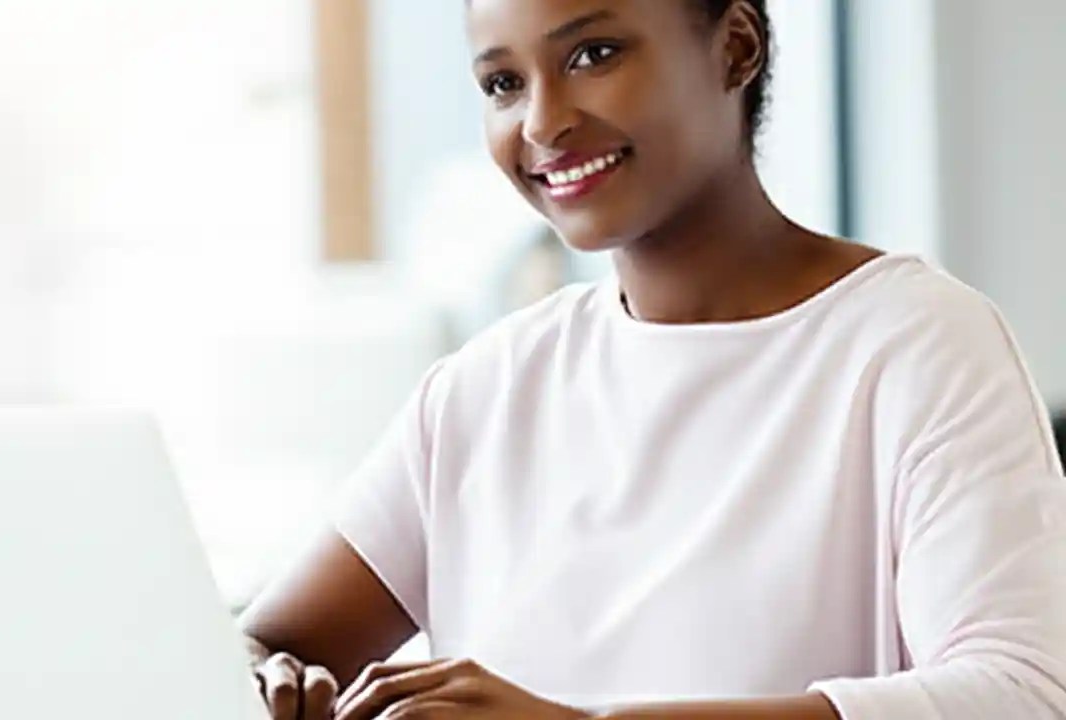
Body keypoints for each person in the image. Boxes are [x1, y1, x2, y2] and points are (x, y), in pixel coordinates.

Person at [238, 1, 1066, 718]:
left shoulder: (915, 343)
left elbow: (1017, 696)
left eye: (593, 55)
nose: (542, 122)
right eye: (503, 83)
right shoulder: (484, 388)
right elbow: (264, 646)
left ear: (736, 48)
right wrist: (268, 686)